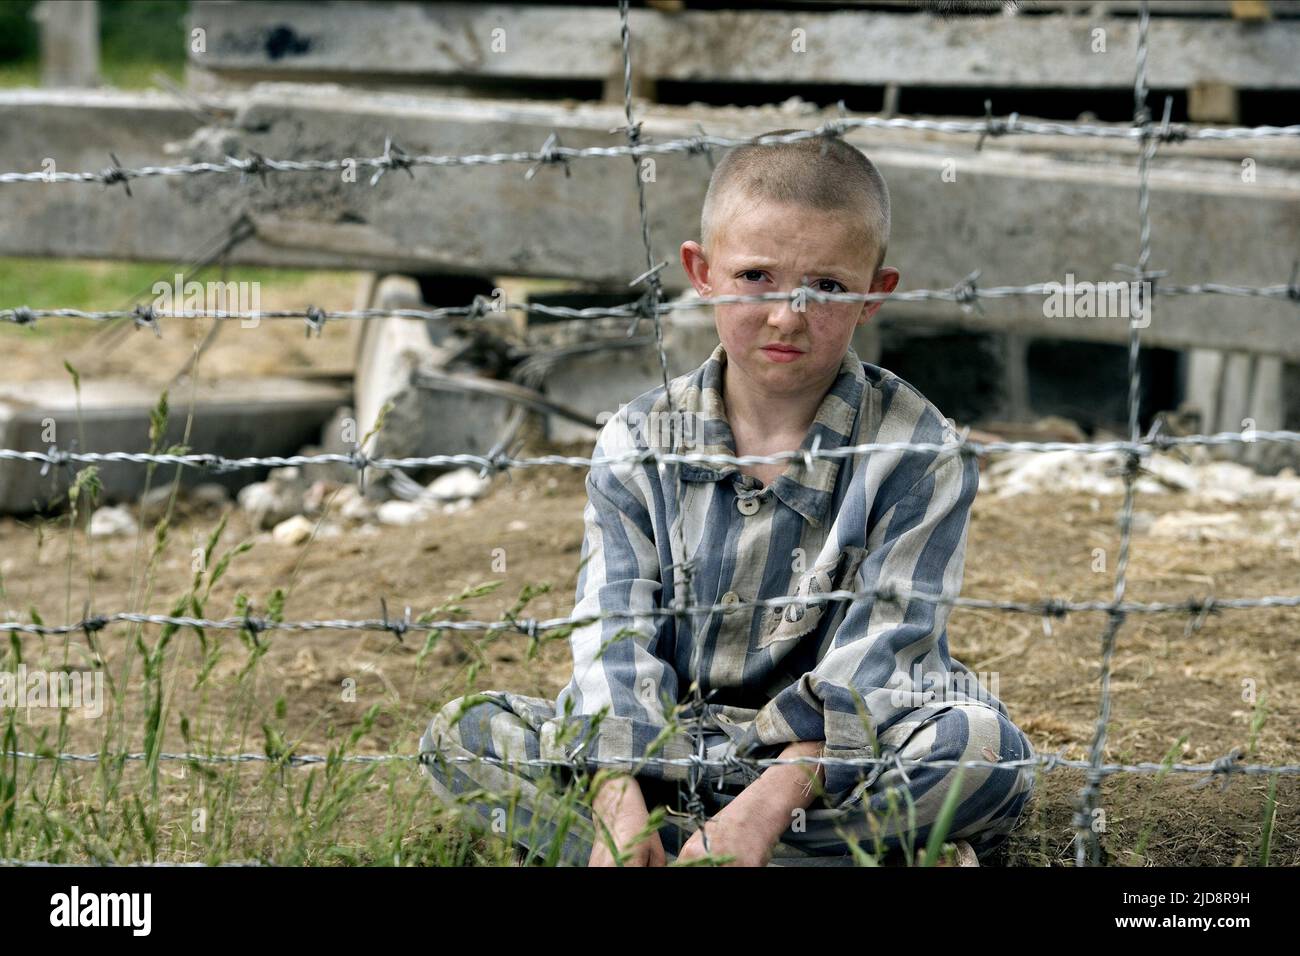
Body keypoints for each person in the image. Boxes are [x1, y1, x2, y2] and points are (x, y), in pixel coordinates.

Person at [420, 129, 1036, 867]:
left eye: (829, 287)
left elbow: (883, 657)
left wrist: (763, 811)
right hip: (666, 751)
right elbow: (613, 630)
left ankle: (706, 853)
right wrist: (619, 799)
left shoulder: (918, 450)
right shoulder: (641, 436)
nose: (787, 315)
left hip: (832, 760)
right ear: (701, 271)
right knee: (466, 732)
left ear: (875, 295)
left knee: (982, 752)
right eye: (755, 277)